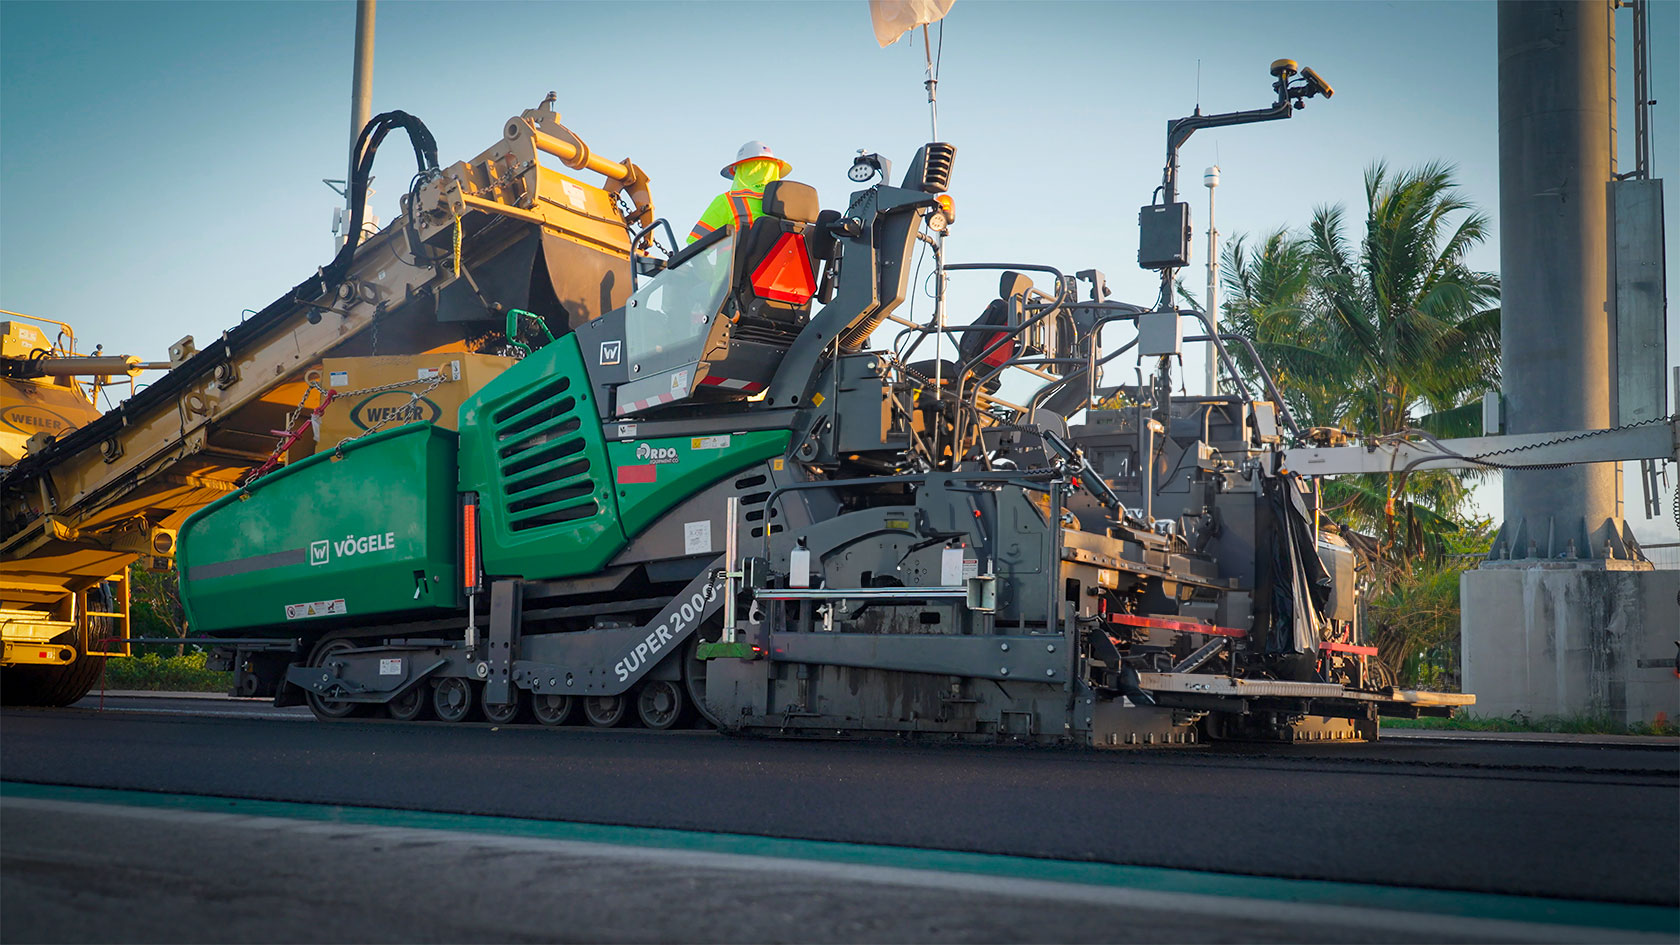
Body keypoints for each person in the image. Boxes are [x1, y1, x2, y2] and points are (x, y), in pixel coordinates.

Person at [687, 141, 792, 244]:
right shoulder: (791, 205)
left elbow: (695, 242)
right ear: (775, 169)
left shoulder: (727, 201)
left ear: (740, 171)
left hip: (738, 262)